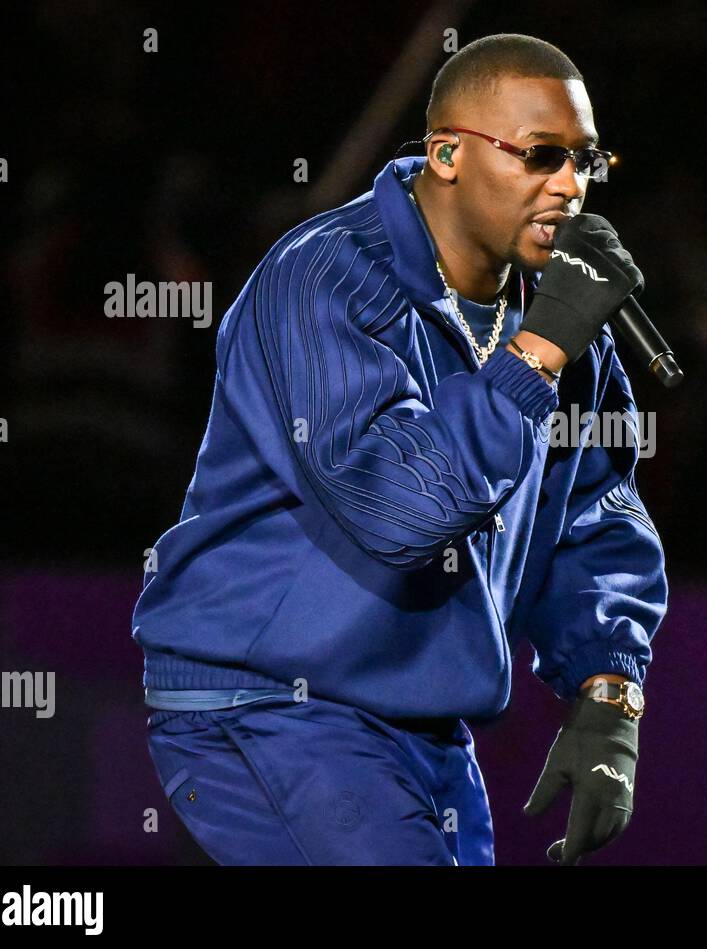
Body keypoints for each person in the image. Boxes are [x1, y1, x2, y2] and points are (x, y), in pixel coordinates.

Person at [132, 33, 667, 865]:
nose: (570, 186)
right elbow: (397, 507)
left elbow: (594, 516)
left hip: (423, 723)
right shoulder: (325, 280)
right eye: (541, 155)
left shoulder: (558, 321)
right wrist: (538, 354)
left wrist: (608, 696)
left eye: (587, 161)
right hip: (272, 704)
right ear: (447, 154)